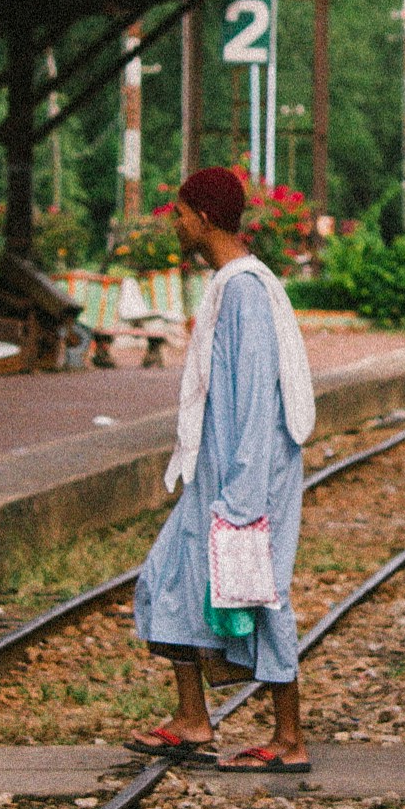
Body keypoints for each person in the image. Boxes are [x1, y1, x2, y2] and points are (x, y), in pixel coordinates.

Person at [126, 167, 317, 773]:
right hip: (218, 470)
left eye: (180, 213)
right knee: (171, 578)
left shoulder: (245, 292)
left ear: (203, 218)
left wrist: (240, 499)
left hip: (247, 475)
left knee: (260, 593)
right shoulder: (229, 285)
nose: (176, 224)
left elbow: (257, 396)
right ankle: (193, 719)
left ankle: (289, 739)